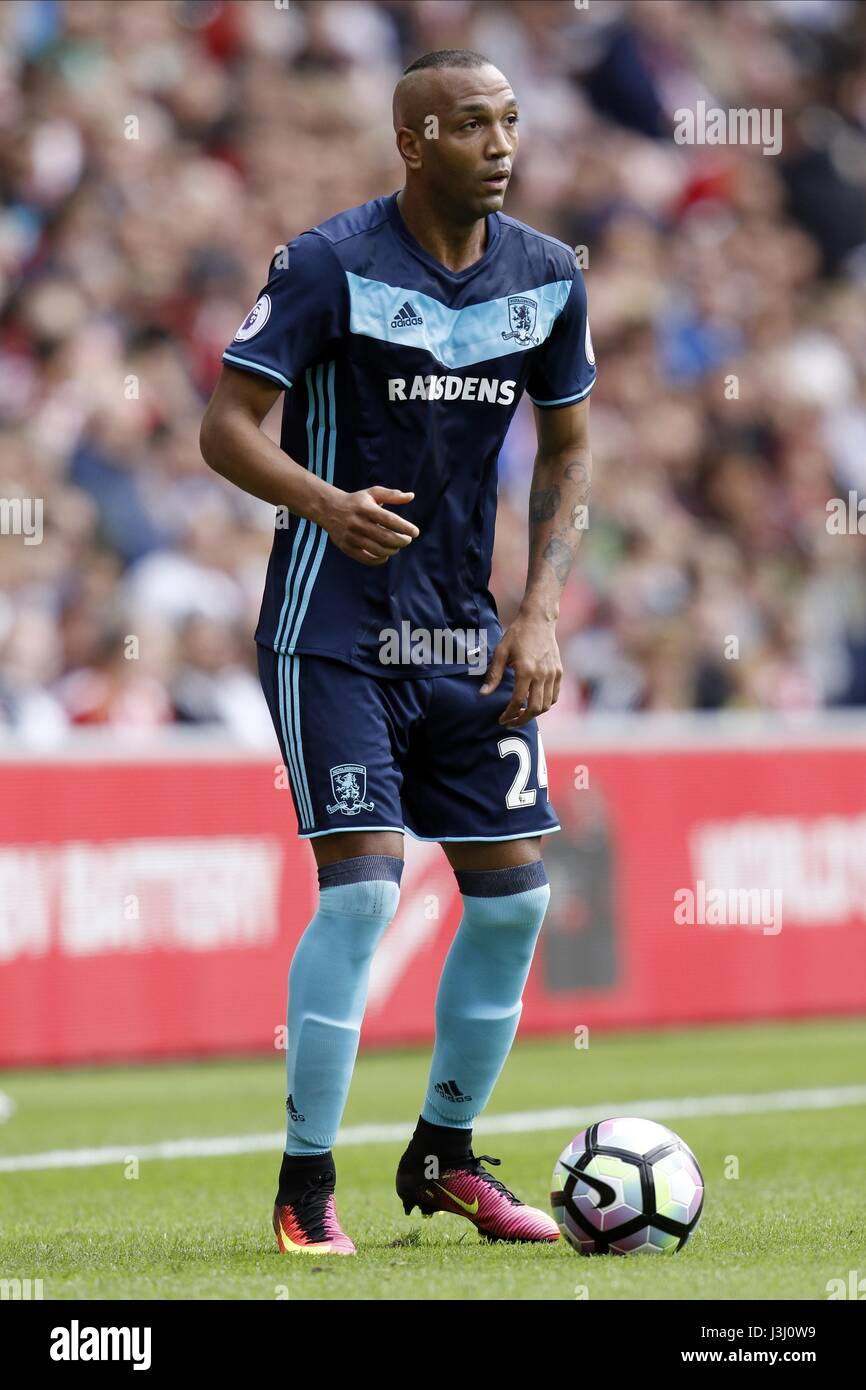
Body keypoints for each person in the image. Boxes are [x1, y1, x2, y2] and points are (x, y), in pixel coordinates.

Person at [200, 48, 595, 1254]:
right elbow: (224, 427)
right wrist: (323, 503)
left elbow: (571, 452)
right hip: (332, 628)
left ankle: (442, 1156)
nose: (501, 144)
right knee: (366, 887)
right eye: (471, 125)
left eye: (510, 121)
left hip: (463, 637)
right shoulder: (327, 263)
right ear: (413, 142)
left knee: (514, 902)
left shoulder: (548, 276)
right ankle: (303, 1180)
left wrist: (537, 612)